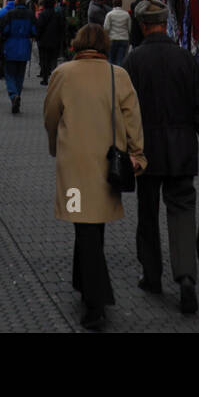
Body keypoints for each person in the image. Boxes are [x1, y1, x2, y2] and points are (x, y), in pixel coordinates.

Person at [44, 23, 146, 331]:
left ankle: (94, 299)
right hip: (108, 162)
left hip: (74, 162)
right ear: (104, 45)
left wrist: (55, 146)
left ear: (77, 44)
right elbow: (132, 118)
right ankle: (90, 291)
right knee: (93, 225)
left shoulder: (62, 74)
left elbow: (51, 117)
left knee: (83, 223)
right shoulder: (119, 75)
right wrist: (137, 153)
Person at [125, 0, 199, 314]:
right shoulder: (185, 60)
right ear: (164, 23)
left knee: (147, 214)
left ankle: (152, 275)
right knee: (182, 211)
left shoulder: (133, 62)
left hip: (146, 152)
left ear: (141, 25)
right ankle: (185, 278)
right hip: (182, 150)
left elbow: (122, 112)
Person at [0, 0, 36, 113]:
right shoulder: (30, 14)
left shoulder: (10, 14)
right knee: (20, 74)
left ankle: (13, 95)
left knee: (9, 74)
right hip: (24, 46)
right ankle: (17, 95)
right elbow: (34, 31)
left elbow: (4, 30)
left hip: (11, 46)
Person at [35, 0, 64, 84]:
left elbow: (39, 27)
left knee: (44, 59)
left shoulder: (43, 14)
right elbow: (62, 26)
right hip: (55, 40)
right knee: (53, 58)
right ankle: (53, 75)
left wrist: (37, 37)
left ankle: (45, 77)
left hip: (43, 40)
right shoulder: (57, 14)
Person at [104, 0, 132, 67]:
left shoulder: (109, 15)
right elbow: (129, 28)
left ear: (113, 4)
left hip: (112, 38)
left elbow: (106, 27)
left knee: (111, 59)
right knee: (120, 60)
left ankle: (111, 75)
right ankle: (119, 75)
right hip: (124, 38)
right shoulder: (126, 15)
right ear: (121, 4)